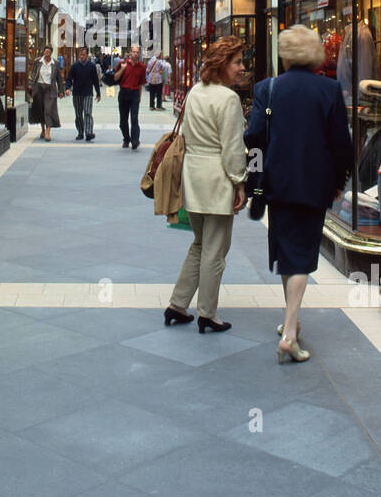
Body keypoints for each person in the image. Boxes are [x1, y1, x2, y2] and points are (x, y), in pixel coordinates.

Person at [245, 25, 353, 364]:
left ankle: (291, 321)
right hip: (314, 185)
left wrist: (254, 180)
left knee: (287, 252)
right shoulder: (329, 89)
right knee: (301, 256)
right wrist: (339, 180)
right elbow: (341, 145)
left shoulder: (268, 88)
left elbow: (254, 139)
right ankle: (290, 333)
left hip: (277, 185)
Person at [165, 36, 248, 332]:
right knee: (216, 249)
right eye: (237, 62)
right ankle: (207, 314)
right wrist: (239, 183)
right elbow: (233, 148)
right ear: (222, 63)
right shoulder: (228, 99)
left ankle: (177, 304)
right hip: (217, 180)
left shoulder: (195, 92)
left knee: (200, 244)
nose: (242, 68)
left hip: (193, 176)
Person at [114, 44, 146, 149]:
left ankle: (135, 140)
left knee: (134, 118)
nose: (135, 54)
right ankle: (126, 139)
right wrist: (122, 69)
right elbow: (115, 78)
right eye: (133, 51)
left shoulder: (142, 67)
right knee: (123, 120)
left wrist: (139, 97)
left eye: (137, 52)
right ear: (130, 52)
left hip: (135, 94)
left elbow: (141, 84)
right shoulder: (122, 63)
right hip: (123, 93)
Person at [66, 46, 102, 140]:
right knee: (78, 114)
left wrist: (98, 93)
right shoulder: (74, 66)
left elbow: (95, 80)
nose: (82, 56)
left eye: (84, 55)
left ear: (87, 55)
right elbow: (69, 78)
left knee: (87, 112)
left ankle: (89, 132)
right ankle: (80, 132)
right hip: (77, 93)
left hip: (88, 93)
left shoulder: (91, 66)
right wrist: (67, 88)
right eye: (80, 54)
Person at [31, 45, 62, 142]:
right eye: (45, 52)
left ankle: (48, 132)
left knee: (48, 110)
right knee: (41, 110)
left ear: (51, 53)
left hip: (50, 89)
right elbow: (33, 74)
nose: (47, 54)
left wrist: (61, 91)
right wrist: (32, 85)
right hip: (39, 88)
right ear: (43, 52)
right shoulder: (37, 61)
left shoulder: (55, 63)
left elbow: (59, 78)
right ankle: (43, 130)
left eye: (48, 52)